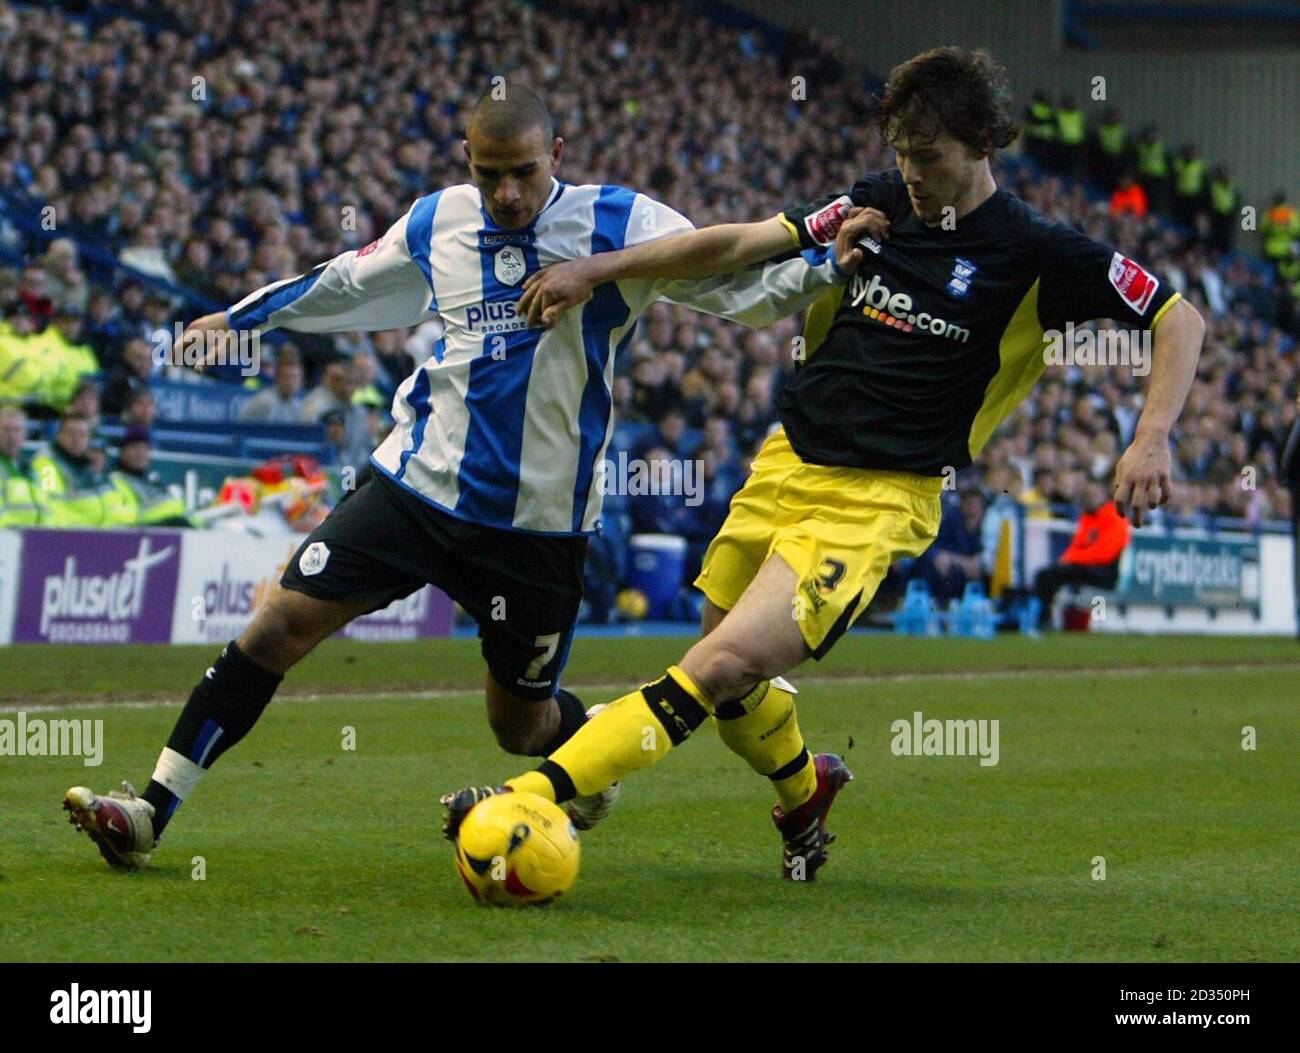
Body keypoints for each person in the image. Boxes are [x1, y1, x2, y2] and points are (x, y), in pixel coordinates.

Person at [63, 84, 883, 870]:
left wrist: (825, 269)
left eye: (524, 171)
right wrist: (242, 315)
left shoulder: (618, 221)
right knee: (279, 623)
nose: (507, 193)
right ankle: (148, 813)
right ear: (466, 162)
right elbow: (348, 279)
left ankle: (584, 751)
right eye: (488, 174)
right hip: (416, 487)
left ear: (556, 153)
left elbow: (737, 286)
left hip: (537, 529)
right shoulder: (438, 221)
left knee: (518, 724)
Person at [451, 47, 1206, 880]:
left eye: (931, 156)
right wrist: (599, 267)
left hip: (879, 498)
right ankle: (807, 794)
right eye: (901, 153)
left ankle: (530, 796)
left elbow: (1178, 317)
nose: (911, 173)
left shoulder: (1036, 251)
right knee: (731, 690)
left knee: (719, 665)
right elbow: (738, 245)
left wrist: (1150, 435)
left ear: (984, 142)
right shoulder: (876, 204)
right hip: (786, 464)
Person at [1032, 480, 1131, 629]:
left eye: (1094, 494)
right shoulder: (1087, 517)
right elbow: (1077, 545)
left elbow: (1105, 553)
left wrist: (1072, 560)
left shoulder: (1115, 516)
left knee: (1055, 575)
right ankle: (1043, 617)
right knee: (1046, 575)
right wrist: (1066, 559)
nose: (1090, 498)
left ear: (1104, 495)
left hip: (1105, 571)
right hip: (1086, 568)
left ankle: (1044, 619)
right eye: (1087, 495)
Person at [30, 412, 107, 526]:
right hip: (66, 534)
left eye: (82, 434)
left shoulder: (86, 465)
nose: (76, 439)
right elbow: (51, 503)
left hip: (96, 532)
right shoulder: (46, 465)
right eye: (71, 433)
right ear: (59, 435)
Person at [0, 404, 42, 526]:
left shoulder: (31, 468)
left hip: (37, 536)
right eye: (6, 430)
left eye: (17, 430)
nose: (11, 436)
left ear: (24, 435)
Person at [238, 346, 304, 423]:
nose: (290, 382)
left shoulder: (296, 404)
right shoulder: (265, 403)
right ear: (278, 379)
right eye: (286, 377)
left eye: (295, 377)